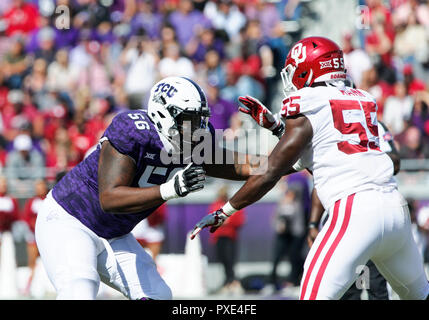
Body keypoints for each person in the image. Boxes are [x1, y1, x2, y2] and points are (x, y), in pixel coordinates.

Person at [191, 37, 429, 300]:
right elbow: (321, 155)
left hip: (355, 211)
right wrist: (276, 128)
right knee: (419, 295)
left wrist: (226, 210)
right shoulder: (363, 98)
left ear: (309, 69)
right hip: (395, 208)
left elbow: (271, 171)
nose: (291, 79)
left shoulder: (308, 99)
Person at [35, 76, 258, 300]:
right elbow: (109, 198)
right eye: (188, 120)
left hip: (114, 234)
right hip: (69, 221)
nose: (196, 129)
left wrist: (287, 148)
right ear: (163, 114)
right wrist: (170, 189)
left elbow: (251, 166)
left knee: (158, 295)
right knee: (80, 289)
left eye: (200, 120)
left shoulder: (194, 143)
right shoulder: (133, 130)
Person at [307, 120, 400, 300]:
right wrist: (313, 223)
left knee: (376, 286)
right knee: (346, 287)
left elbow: (396, 163)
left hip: (371, 210)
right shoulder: (326, 128)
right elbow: (320, 182)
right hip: (340, 215)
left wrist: (363, 158)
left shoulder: (373, 124)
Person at [208, 185, 245, 295]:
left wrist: (225, 222)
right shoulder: (215, 204)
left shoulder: (232, 204)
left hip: (229, 237)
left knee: (230, 260)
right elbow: (211, 219)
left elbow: (239, 220)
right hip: (219, 237)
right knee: (223, 260)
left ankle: (232, 281)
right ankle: (228, 282)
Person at [21, 179, 49, 296]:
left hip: (47, 236)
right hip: (33, 236)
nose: (39, 189)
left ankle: (46, 286)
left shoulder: (49, 201)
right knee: (32, 261)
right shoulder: (32, 202)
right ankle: (29, 286)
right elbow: (26, 218)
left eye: (41, 186)